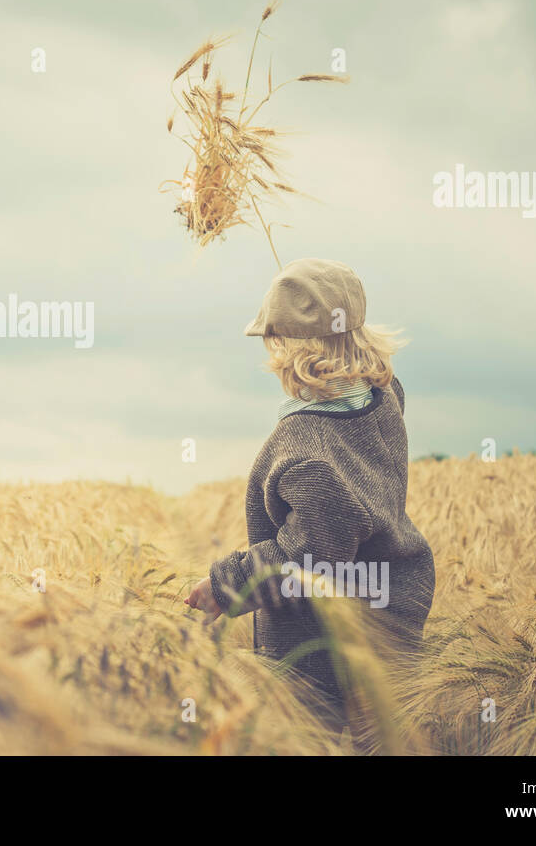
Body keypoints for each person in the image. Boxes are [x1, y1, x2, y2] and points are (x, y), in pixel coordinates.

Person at [186, 258, 435, 733]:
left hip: (323, 641)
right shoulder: (385, 397)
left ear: (283, 347)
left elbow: (305, 559)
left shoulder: (307, 449)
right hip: (393, 605)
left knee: (317, 741)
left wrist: (226, 586)